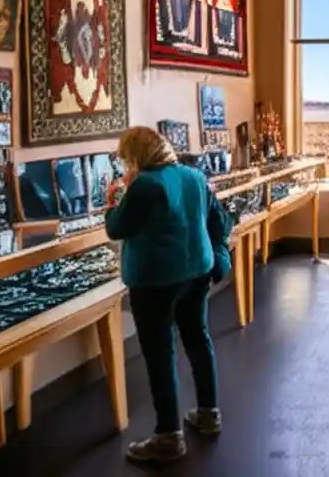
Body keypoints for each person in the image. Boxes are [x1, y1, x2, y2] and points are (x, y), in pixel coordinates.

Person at [105, 126, 233, 463]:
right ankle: (208, 413)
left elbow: (117, 227)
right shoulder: (193, 175)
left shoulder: (146, 184)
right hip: (197, 272)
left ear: (135, 156)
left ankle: (168, 436)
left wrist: (112, 202)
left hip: (157, 281)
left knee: (160, 355)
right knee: (197, 338)